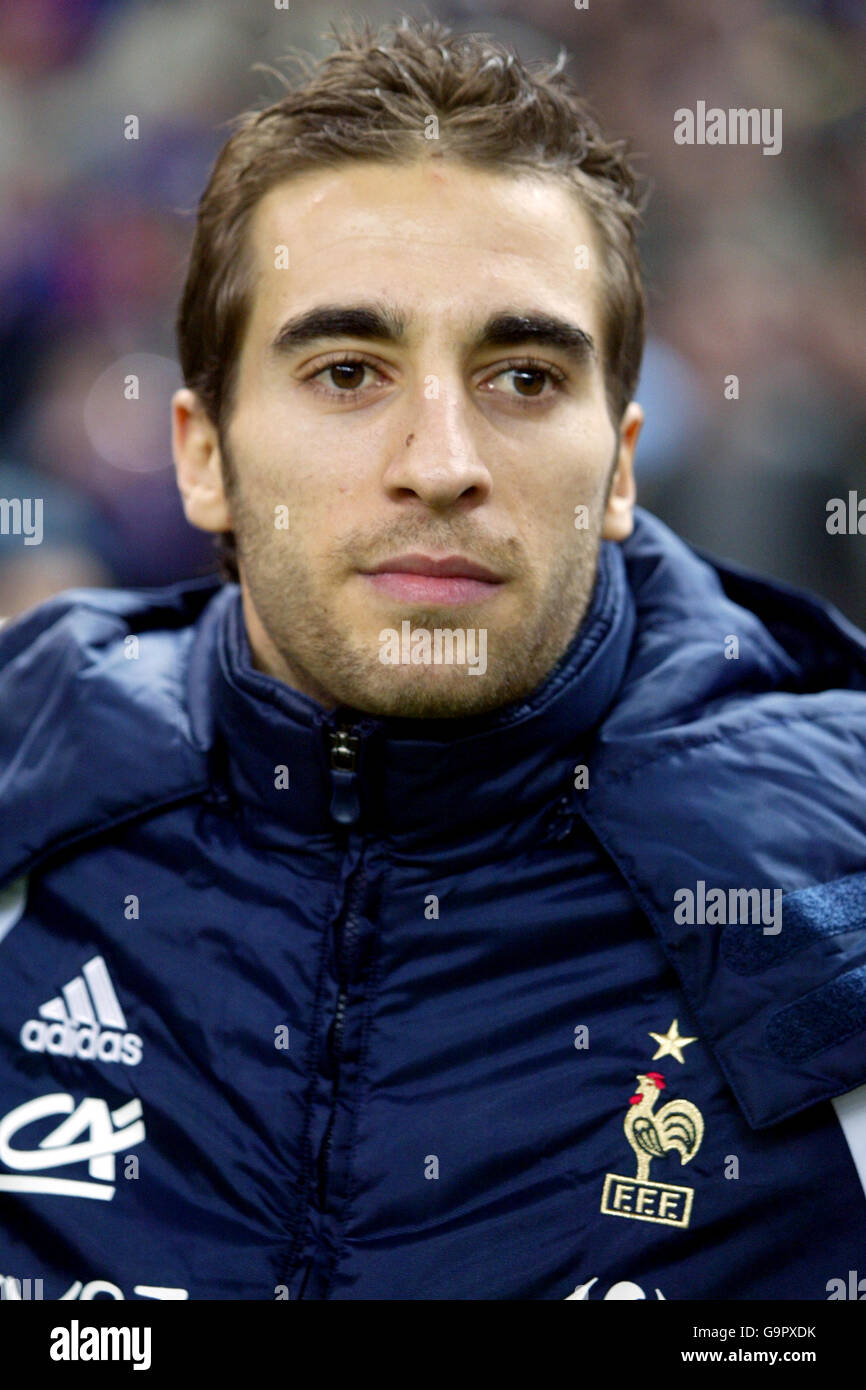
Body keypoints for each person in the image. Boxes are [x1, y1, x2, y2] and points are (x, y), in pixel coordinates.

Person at [1, 16, 865, 1303]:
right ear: (200, 453)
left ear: (620, 462)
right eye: (348, 370)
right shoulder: (29, 812)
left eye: (521, 376)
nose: (442, 461)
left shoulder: (831, 907)